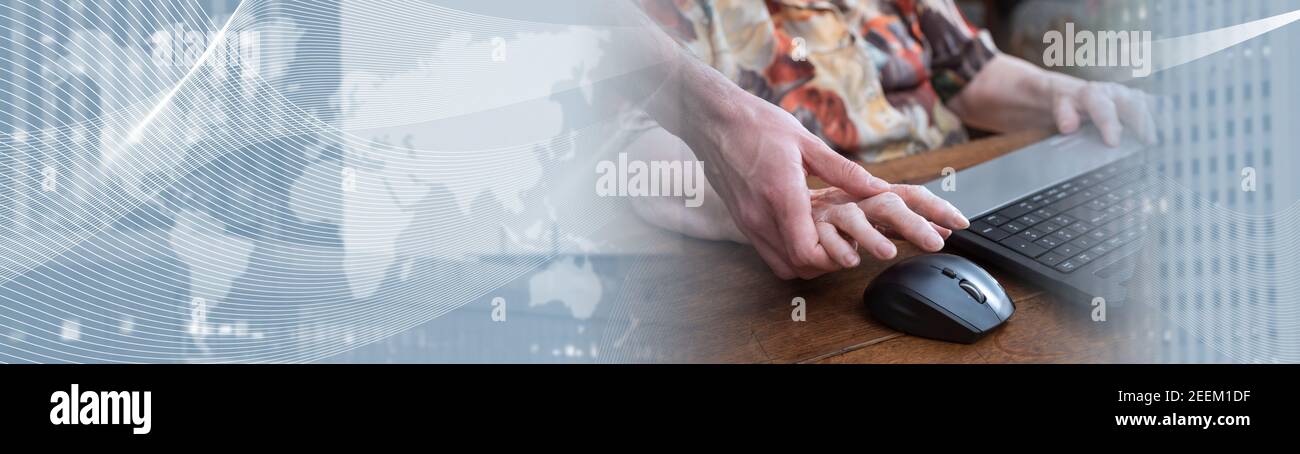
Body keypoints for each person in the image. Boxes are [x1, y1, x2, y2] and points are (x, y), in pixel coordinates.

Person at [620, 0, 1155, 280]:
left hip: (963, 210)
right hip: (837, 249)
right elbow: (635, 154)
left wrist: (1075, 93)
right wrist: (798, 206)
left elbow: (969, 73)